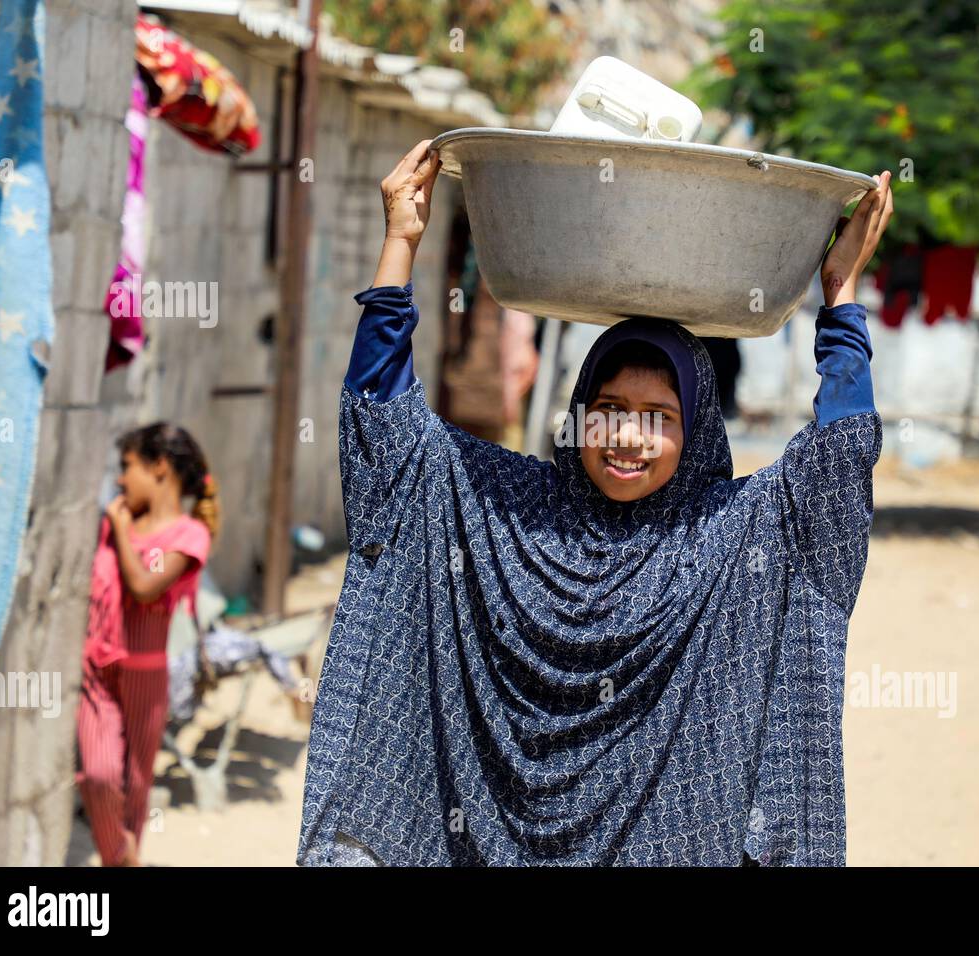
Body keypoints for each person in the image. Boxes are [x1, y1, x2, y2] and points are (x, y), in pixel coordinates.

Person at [298, 140, 893, 866]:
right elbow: (386, 432)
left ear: (696, 432)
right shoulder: (509, 510)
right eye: (610, 407)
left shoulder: (728, 535)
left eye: (660, 419)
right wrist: (400, 243)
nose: (628, 438)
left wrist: (840, 296)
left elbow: (836, 462)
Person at [76, 424, 219, 866]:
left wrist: (119, 529)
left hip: (144, 677)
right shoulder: (116, 522)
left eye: (127, 468)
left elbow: (143, 586)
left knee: (135, 790)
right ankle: (124, 858)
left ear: (159, 468)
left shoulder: (189, 534)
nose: (119, 480)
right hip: (96, 673)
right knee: (98, 777)